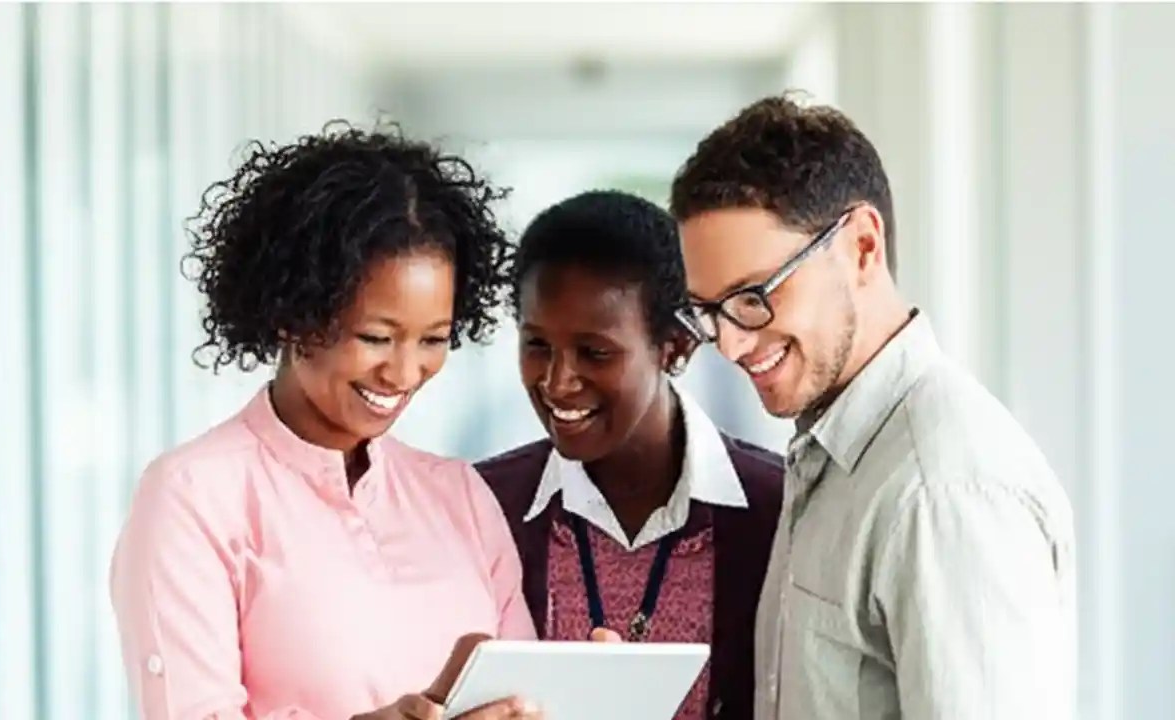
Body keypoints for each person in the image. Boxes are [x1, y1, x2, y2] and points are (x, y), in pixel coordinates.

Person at [109, 123, 542, 720]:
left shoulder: (459, 495)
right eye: (376, 337)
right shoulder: (193, 498)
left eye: (433, 339)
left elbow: (524, 705)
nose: (405, 371)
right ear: (293, 314)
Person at [671, 95, 1077, 719]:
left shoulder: (942, 491)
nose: (728, 342)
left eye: (752, 296)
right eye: (709, 311)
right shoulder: (834, 455)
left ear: (862, 246)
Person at [476, 190, 785, 720]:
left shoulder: (778, 507)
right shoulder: (484, 504)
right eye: (537, 346)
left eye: (594, 352)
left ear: (675, 347)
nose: (556, 382)